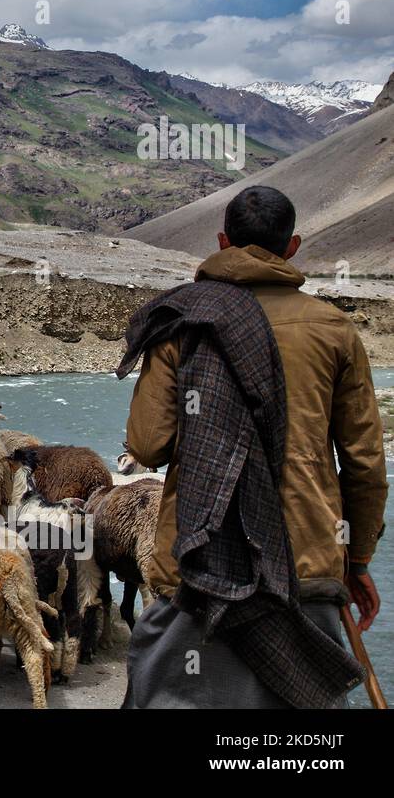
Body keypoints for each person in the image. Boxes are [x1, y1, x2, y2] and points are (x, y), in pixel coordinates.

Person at [118, 185, 386, 708]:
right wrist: (358, 560)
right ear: (293, 247)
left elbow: (148, 446)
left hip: (199, 557)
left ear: (223, 241)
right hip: (306, 557)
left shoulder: (183, 320)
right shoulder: (333, 329)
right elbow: (364, 462)